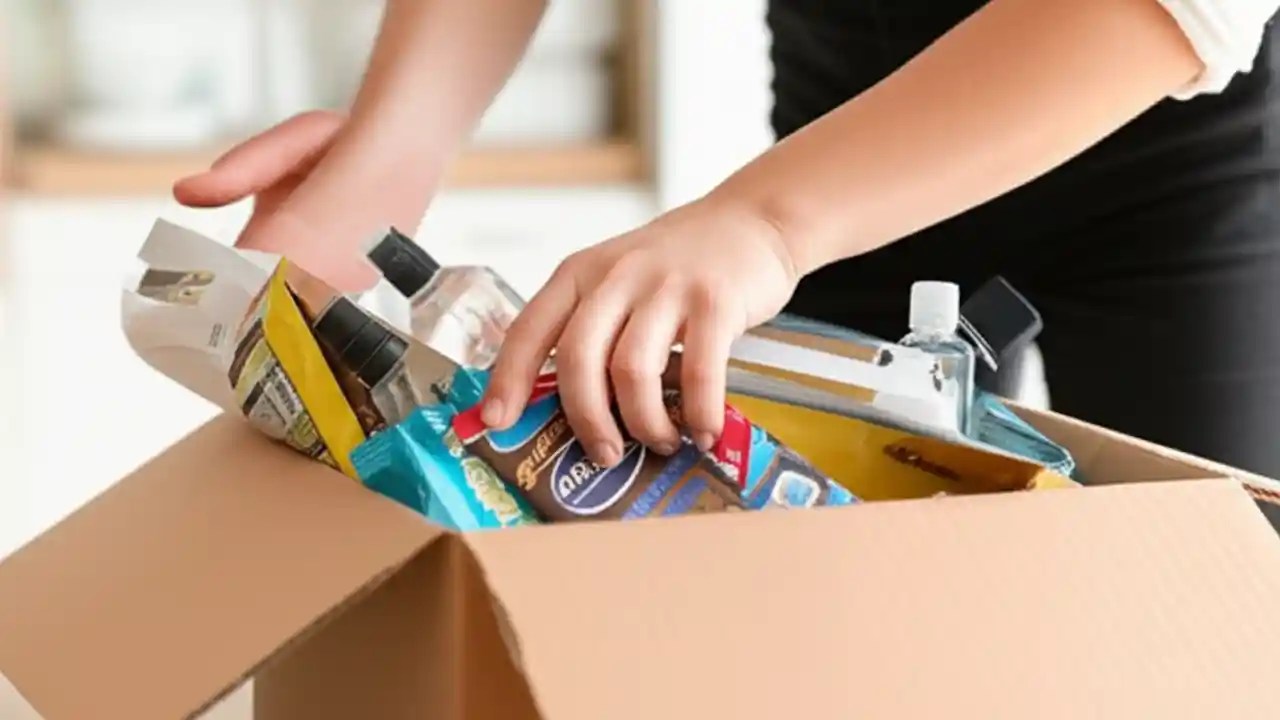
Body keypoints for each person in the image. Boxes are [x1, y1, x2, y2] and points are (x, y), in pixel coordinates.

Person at [175, 0, 1280, 484]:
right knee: (816, 614)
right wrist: (386, 161)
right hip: (844, 124)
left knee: (1221, 604)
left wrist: (764, 222)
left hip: (1173, 166)